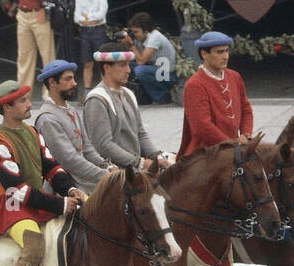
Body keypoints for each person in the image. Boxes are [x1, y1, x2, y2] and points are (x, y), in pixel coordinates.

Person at [0, 78, 83, 266]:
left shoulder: (32, 132)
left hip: (36, 201)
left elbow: (52, 167)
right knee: (34, 246)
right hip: (12, 207)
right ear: (7, 107)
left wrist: (70, 189)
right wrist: (61, 204)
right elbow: (18, 190)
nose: (30, 104)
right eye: (23, 101)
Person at [83, 44, 172, 173]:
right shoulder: (97, 99)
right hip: (113, 175)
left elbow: (140, 133)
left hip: (133, 169)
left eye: (128, 65)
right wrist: (140, 162)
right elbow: (103, 145)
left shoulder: (128, 94)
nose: (128, 70)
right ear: (107, 68)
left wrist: (157, 156)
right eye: (122, 65)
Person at [33, 59, 110, 196]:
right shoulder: (47, 118)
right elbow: (70, 160)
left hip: (86, 179)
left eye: (73, 78)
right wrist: (106, 176)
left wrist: (107, 166)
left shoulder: (72, 110)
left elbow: (88, 149)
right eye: (68, 79)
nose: (74, 83)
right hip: (66, 188)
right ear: (52, 83)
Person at [177, 31, 254, 160]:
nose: (225, 56)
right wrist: (234, 144)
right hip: (204, 154)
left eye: (227, 51)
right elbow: (202, 127)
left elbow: (246, 109)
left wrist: (246, 135)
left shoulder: (234, 77)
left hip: (233, 149)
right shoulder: (195, 84)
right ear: (204, 54)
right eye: (219, 52)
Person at [123, 12, 179, 105]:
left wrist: (132, 45)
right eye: (132, 32)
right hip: (154, 71)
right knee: (126, 66)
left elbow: (141, 61)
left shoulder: (155, 37)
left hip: (168, 76)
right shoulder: (140, 38)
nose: (134, 34)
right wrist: (126, 42)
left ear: (146, 31)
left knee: (140, 70)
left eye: (136, 32)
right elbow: (127, 57)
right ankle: (144, 96)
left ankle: (162, 96)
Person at [72, 0, 107, 89]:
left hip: (98, 31)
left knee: (102, 62)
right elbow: (77, 17)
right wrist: (87, 20)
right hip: (85, 32)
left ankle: (104, 89)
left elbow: (100, 16)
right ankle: (87, 90)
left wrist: (87, 17)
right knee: (87, 62)